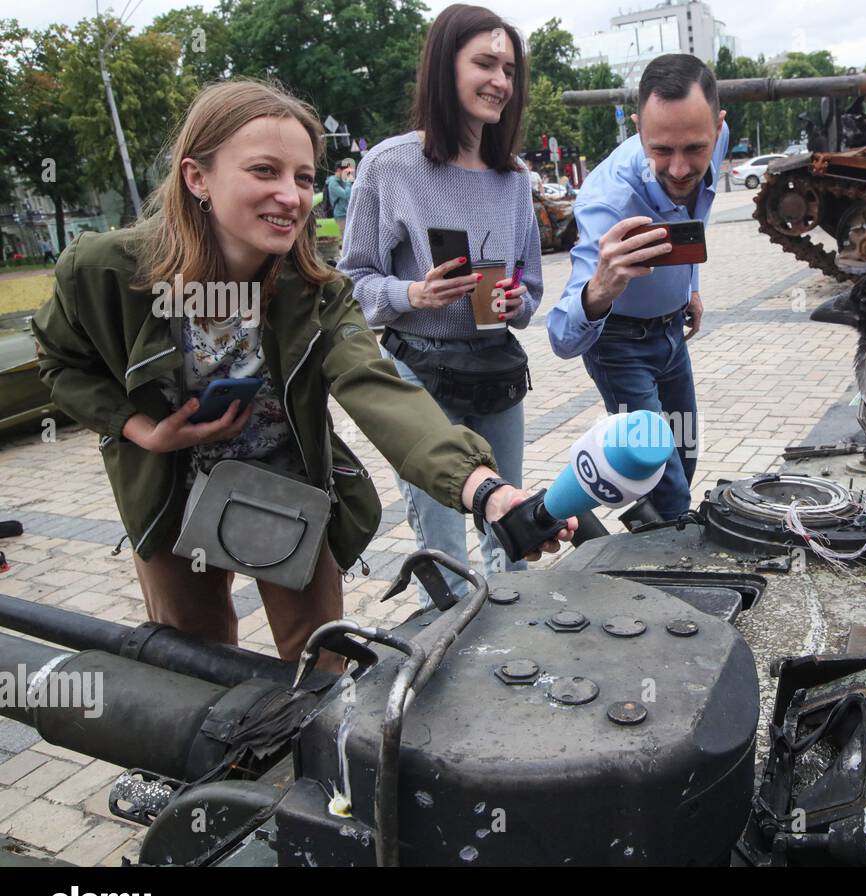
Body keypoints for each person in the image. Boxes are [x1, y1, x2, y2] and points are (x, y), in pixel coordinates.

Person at [31, 79, 571, 668]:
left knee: (321, 664)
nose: (290, 195)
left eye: (305, 178)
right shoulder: (106, 271)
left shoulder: (315, 291)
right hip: (169, 496)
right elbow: (62, 364)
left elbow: (381, 391)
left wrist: (486, 491)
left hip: (286, 494)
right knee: (196, 670)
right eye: (265, 171)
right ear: (197, 177)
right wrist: (141, 429)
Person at [339, 4, 542, 606]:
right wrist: (413, 294)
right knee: (445, 551)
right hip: (420, 379)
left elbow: (531, 289)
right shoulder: (389, 166)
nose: (500, 81)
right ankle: (450, 665)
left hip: (496, 373)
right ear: (442, 69)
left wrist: (514, 300)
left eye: (508, 68)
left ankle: (519, 656)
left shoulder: (515, 179)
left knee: (511, 531)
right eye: (484, 63)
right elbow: (351, 281)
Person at [547, 53, 727, 519]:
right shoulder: (609, 200)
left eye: (695, 148)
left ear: (718, 124)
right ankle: (669, 572)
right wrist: (601, 287)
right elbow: (561, 337)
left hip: (672, 336)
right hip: (620, 346)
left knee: (683, 454)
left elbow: (693, 218)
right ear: (637, 130)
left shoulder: (718, 138)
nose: (682, 168)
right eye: (661, 150)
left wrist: (690, 285)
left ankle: (649, 527)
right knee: (664, 479)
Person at [326, 158, 354, 239]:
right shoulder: (333, 183)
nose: (348, 173)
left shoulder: (342, 181)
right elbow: (346, 195)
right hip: (341, 216)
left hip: (348, 213)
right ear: (339, 170)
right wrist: (348, 181)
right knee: (347, 240)